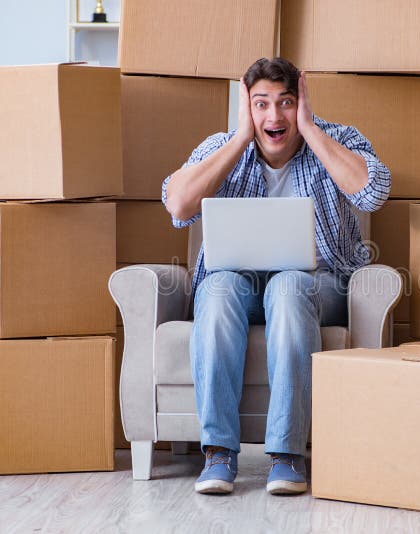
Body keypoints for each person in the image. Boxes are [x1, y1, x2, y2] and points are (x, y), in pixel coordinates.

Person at [161, 57, 390, 495]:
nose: (274, 116)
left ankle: (287, 456)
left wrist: (310, 128)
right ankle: (218, 454)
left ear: (301, 103)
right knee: (218, 287)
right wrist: (241, 138)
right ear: (247, 105)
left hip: (317, 284)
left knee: (288, 284)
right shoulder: (222, 145)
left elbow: (373, 192)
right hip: (238, 284)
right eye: (261, 104)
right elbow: (178, 204)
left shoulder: (336, 138)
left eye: (285, 103)